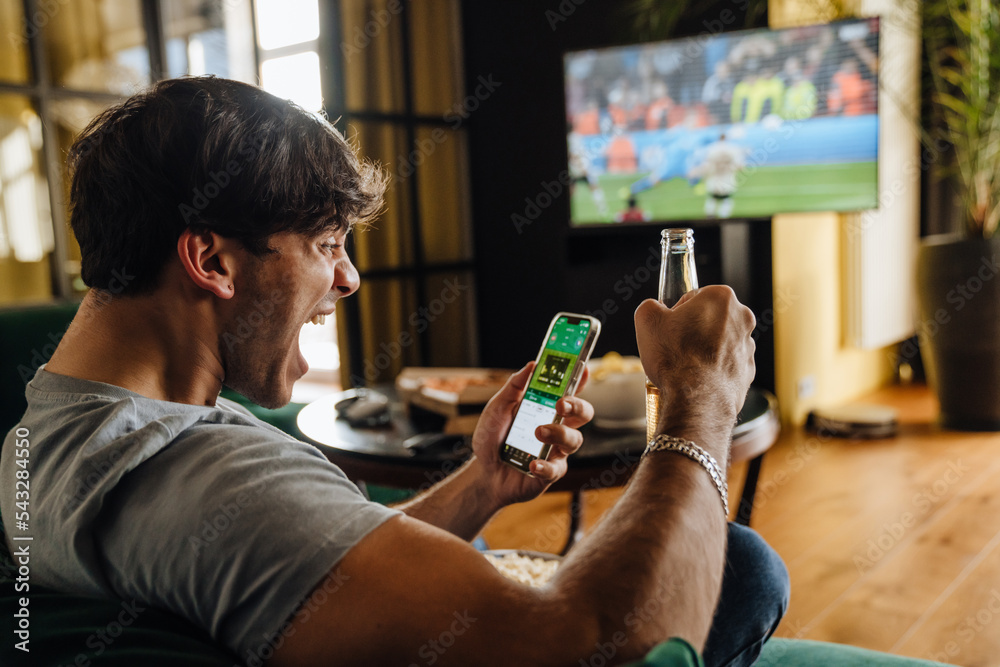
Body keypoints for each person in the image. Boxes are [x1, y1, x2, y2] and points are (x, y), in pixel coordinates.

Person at [0, 77, 788, 666]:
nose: (347, 279)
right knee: (747, 567)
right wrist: (699, 406)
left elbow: (321, 559)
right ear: (211, 259)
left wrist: (482, 482)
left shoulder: (46, 430)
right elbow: (591, 648)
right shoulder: (204, 478)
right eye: (325, 243)